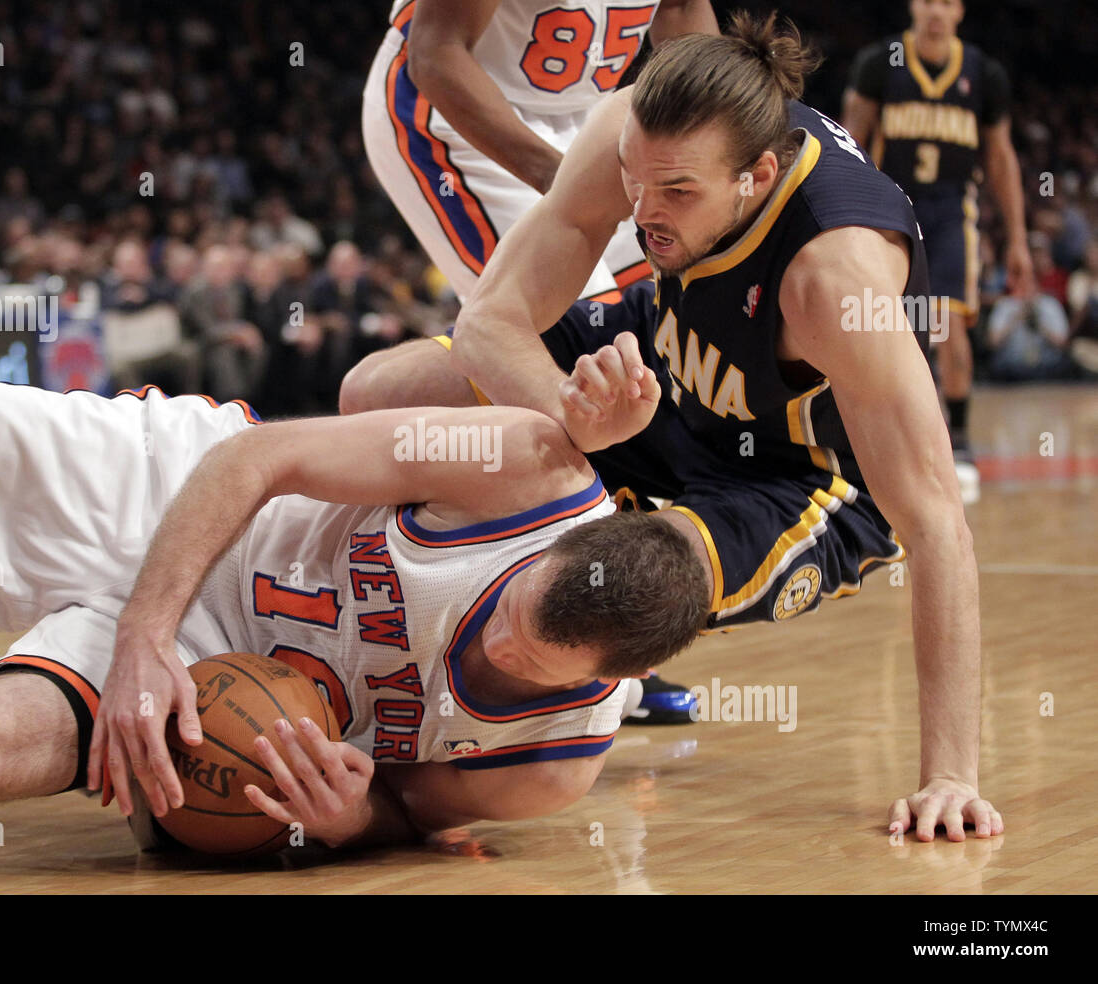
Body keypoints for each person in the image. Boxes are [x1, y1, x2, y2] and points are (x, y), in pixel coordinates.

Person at [341, 12, 1004, 842]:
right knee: (383, 391)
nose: (643, 216)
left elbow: (937, 519)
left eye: (678, 194)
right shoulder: (636, 131)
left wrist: (951, 775)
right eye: (635, 183)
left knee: (628, 579)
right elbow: (489, 323)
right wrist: (569, 412)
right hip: (667, 375)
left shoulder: (837, 279)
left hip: (797, 477)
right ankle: (344, 618)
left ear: (755, 179)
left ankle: (422, 771)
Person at [0, 368, 709, 858]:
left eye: (530, 656)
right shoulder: (525, 468)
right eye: (514, 604)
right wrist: (144, 633)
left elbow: (404, 812)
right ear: (557, 549)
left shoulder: (550, 769)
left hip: (208, 682)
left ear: (613, 683)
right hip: (176, 491)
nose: (501, 636)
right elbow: (258, 458)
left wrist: (350, 820)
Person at [362, 0, 719, 303]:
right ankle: (375, 386)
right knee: (577, 346)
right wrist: (564, 182)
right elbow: (436, 53)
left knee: (681, 313)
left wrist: (723, 137)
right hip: (460, 113)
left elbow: (679, 7)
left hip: (592, 107)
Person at [841, 0, 1033, 498]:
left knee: (944, 324)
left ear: (960, 11)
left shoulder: (983, 75)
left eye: (945, 2)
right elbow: (849, 141)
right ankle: (877, 437)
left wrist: (1017, 240)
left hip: (949, 217)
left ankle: (960, 437)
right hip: (890, 213)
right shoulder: (880, 64)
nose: (935, 11)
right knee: (884, 327)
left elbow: (999, 156)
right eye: (927, 0)